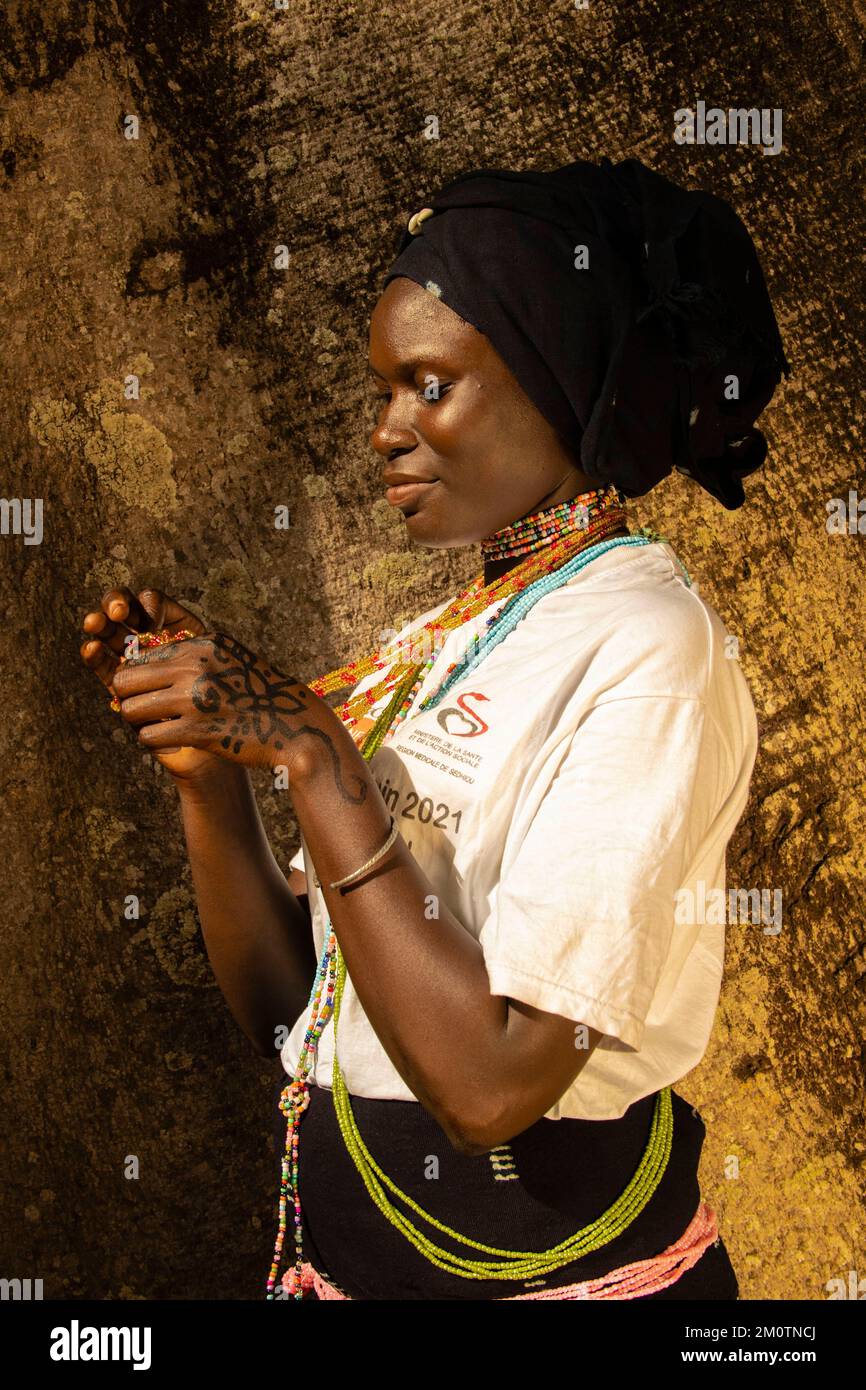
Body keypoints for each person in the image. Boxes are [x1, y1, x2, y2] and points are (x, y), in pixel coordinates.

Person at [80, 155, 789, 1301]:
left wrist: (310, 745)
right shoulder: (459, 635)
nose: (385, 431)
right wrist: (209, 775)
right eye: (385, 389)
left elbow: (488, 1087)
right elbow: (290, 1015)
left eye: (428, 383)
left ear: (551, 380)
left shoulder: (650, 647)